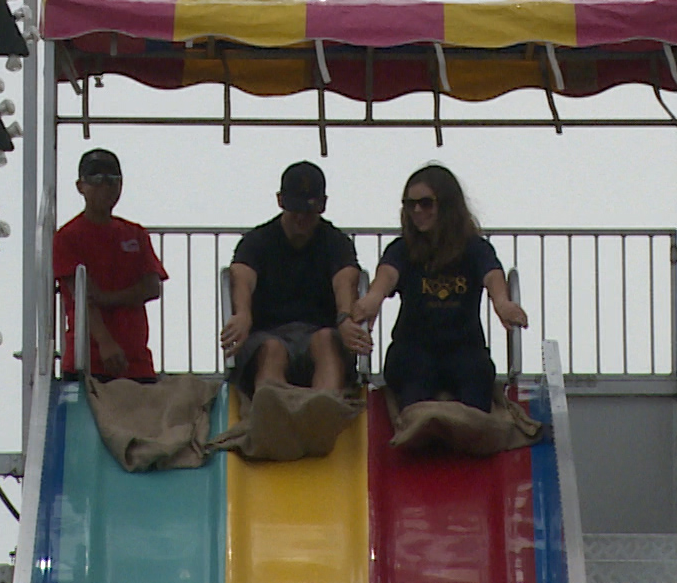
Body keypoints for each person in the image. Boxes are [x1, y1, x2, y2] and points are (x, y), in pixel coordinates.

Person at [350, 164, 527, 413]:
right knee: (415, 391)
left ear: (446, 205)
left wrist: (502, 303)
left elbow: (492, 275)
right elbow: (387, 275)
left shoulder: (474, 248)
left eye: (425, 203)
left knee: (476, 384)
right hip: (413, 348)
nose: (417, 210)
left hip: (463, 348)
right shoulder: (402, 249)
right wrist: (373, 298)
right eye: (410, 204)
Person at [219, 161, 369, 396]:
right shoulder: (257, 241)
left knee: (327, 341)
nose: (301, 218)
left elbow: (346, 279)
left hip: (320, 332)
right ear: (280, 201)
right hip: (268, 334)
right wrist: (243, 315)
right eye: (295, 208)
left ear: (323, 205)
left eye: (309, 210)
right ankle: (273, 407)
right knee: (272, 350)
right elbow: (241, 274)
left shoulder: (336, 242)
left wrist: (345, 318)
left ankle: (323, 406)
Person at [53, 149, 167, 380]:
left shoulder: (135, 233)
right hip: (87, 362)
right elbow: (81, 295)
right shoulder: (68, 237)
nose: (105, 187)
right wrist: (106, 342)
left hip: (136, 361)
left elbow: (152, 288)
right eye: (96, 180)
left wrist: (106, 298)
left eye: (112, 180)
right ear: (80, 186)